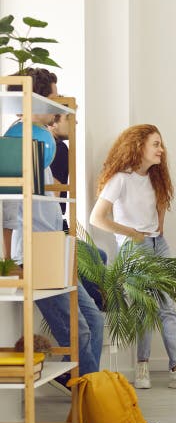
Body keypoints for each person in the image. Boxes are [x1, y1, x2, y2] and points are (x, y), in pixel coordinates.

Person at [1, 68, 103, 385]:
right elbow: (8, 210)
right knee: (80, 329)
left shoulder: (43, 147)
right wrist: (8, 264)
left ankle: (90, 397)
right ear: (37, 100)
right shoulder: (16, 146)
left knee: (95, 321)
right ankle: (88, 403)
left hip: (53, 245)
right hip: (31, 252)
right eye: (53, 97)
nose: (58, 104)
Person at [89, 124, 176, 391]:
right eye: (156, 144)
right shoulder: (120, 179)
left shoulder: (156, 177)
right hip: (134, 247)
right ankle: (142, 365)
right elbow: (97, 218)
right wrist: (131, 233)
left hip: (156, 243)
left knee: (167, 307)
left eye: (161, 144)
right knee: (145, 308)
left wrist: (158, 227)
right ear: (139, 146)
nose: (162, 150)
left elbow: (160, 203)